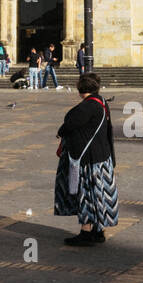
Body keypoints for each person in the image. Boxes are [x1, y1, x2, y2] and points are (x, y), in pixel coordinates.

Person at [54, 72, 118, 246]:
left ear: (80, 89)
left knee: (87, 194)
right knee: (99, 194)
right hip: (102, 157)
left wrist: (61, 131)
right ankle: (98, 230)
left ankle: (86, 232)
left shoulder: (86, 107)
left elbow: (70, 124)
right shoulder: (102, 102)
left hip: (88, 159)